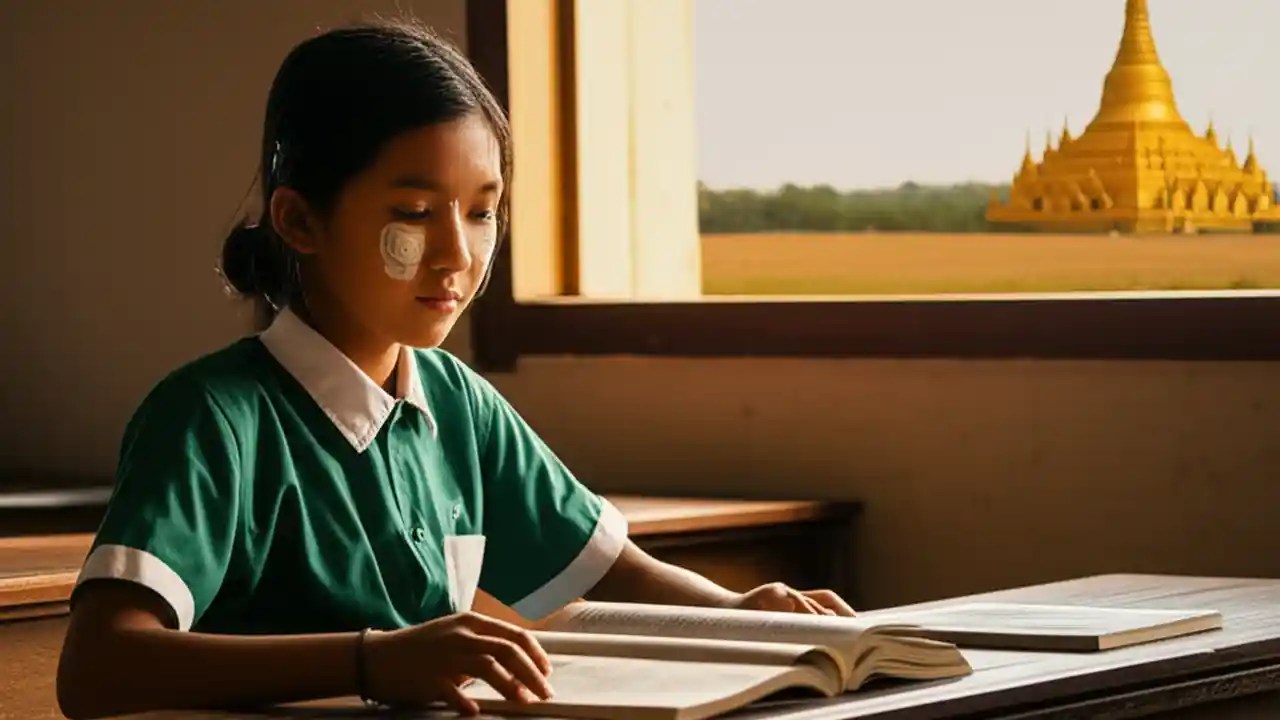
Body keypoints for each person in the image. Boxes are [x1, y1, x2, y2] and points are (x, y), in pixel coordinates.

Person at [56, 17, 855, 720]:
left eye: (481, 212)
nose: (458, 255)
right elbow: (99, 667)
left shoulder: (458, 405)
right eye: (413, 213)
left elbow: (609, 570)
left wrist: (740, 611)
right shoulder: (212, 419)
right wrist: (370, 661)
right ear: (298, 219)